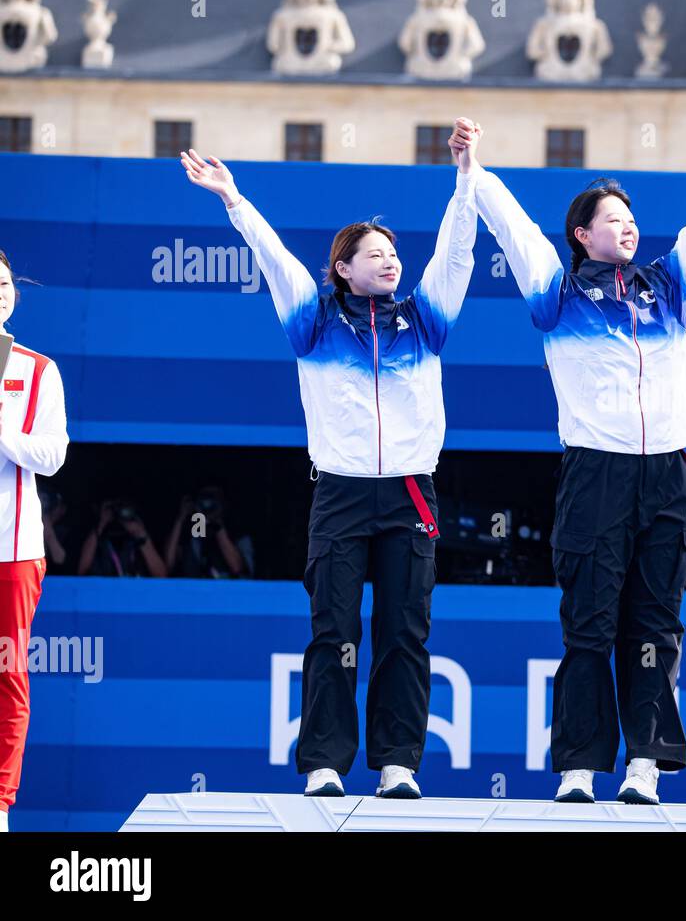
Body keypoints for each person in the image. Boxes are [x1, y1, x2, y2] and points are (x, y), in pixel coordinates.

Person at [471, 107, 686, 805]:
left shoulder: (669, 288)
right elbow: (518, 235)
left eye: (631, 218)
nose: (628, 227)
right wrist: (476, 174)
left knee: (655, 622)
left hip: (667, 473)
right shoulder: (558, 296)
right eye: (613, 219)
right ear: (583, 235)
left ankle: (646, 761)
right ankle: (579, 765)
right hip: (594, 472)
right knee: (588, 621)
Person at [179, 118, 480, 800]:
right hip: (340, 494)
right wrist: (233, 198)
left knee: (405, 633)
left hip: (410, 493)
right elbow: (274, 258)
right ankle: (324, 763)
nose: (389, 261)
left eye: (393, 253)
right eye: (373, 254)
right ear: (342, 268)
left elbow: (457, 256)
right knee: (332, 632)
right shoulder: (314, 321)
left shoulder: (424, 321)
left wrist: (465, 181)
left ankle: (398, 762)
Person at [0, 249, 70, 832]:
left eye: (5, 284)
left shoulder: (38, 369)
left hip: (13, 551)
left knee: (8, 672)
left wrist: (2, 428)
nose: (0, 293)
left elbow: (52, 456)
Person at [164, 488, 253, 578]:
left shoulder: (238, 534)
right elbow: (169, 564)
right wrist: (180, 518)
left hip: (227, 590)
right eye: (204, 497)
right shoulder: (192, 534)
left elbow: (237, 568)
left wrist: (217, 522)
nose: (208, 503)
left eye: (214, 498)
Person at [76, 499, 167, 577]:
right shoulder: (95, 541)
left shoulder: (139, 540)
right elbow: (81, 572)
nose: (117, 511)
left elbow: (162, 576)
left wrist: (141, 534)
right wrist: (101, 524)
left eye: (123, 507)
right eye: (112, 507)